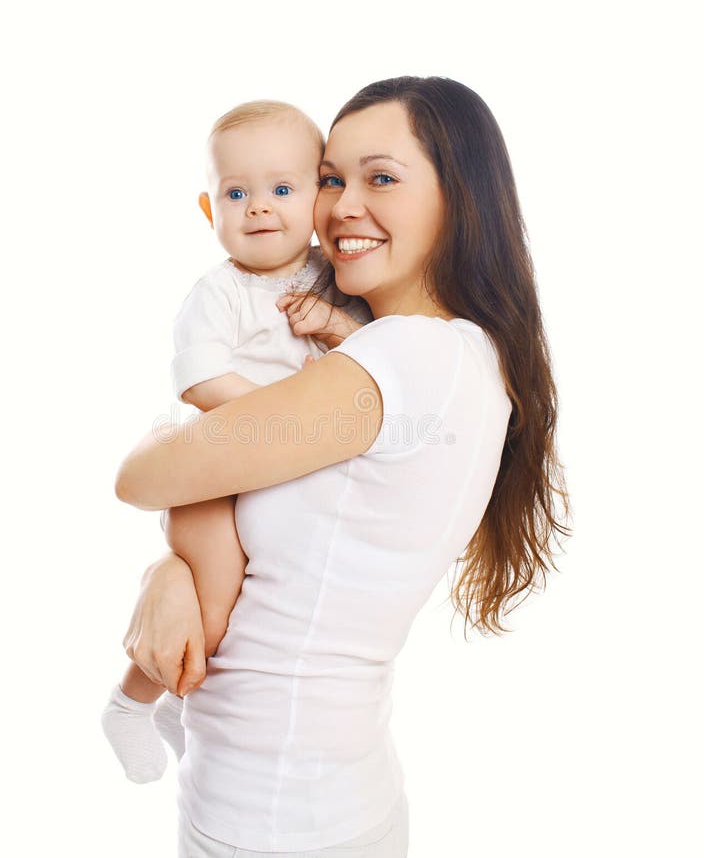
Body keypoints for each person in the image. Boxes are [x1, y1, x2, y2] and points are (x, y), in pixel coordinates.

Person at [114, 76, 572, 856]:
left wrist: (167, 565)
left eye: (381, 178)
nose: (339, 206)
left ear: (458, 200)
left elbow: (143, 475)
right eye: (331, 178)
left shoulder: (400, 359)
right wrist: (169, 573)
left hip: (274, 816)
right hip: (317, 794)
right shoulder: (458, 353)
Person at [101, 100, 373, 784]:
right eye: (236, 193)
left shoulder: (333, 280)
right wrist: (286, 416)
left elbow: (373, 364)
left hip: (270, 475)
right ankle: (130, 702)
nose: (258, 208)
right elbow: (198, 381)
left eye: (282, 190)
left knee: (244, 616)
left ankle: (173, 708)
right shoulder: (217, 292)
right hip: (208, 480)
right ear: (208, 208)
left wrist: (337, 326)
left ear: (317, 197)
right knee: (215, 609)